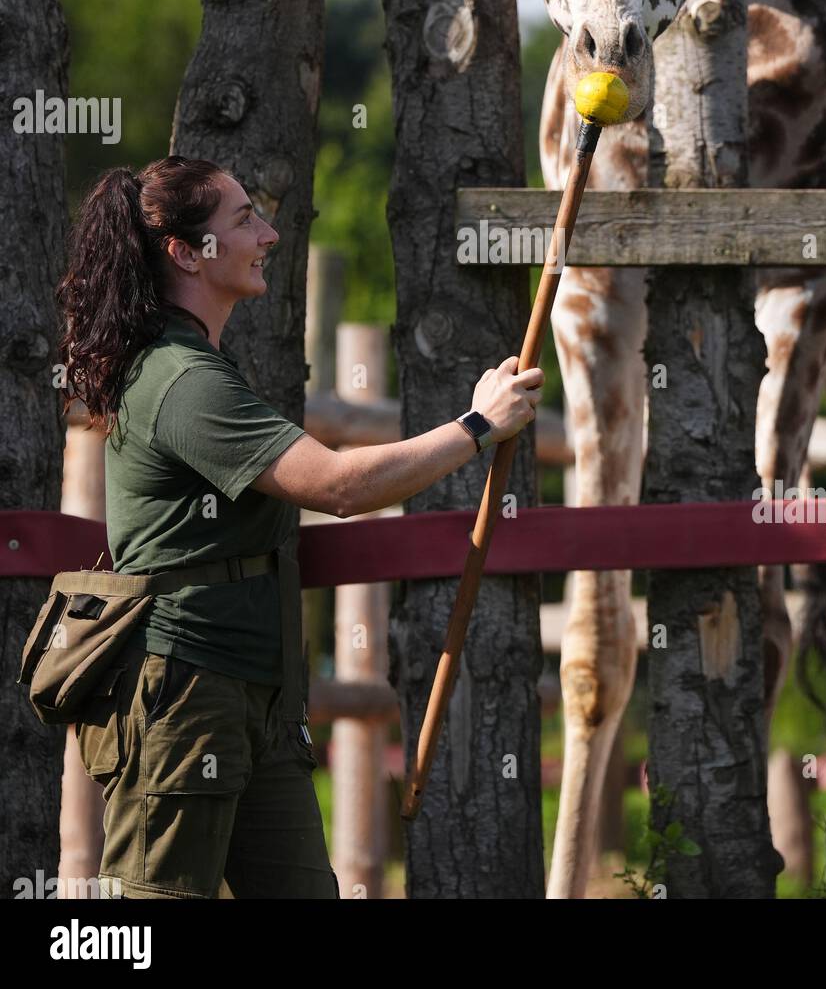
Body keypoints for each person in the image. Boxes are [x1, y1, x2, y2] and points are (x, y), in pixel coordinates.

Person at [56, 155, 543, 899]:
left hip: (259, 698)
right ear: (187, 253)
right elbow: (340, 488)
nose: (271, 235)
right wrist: (478, 425)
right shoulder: (182, 381)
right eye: (243, 219)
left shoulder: (202, 365)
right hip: (185, 697)